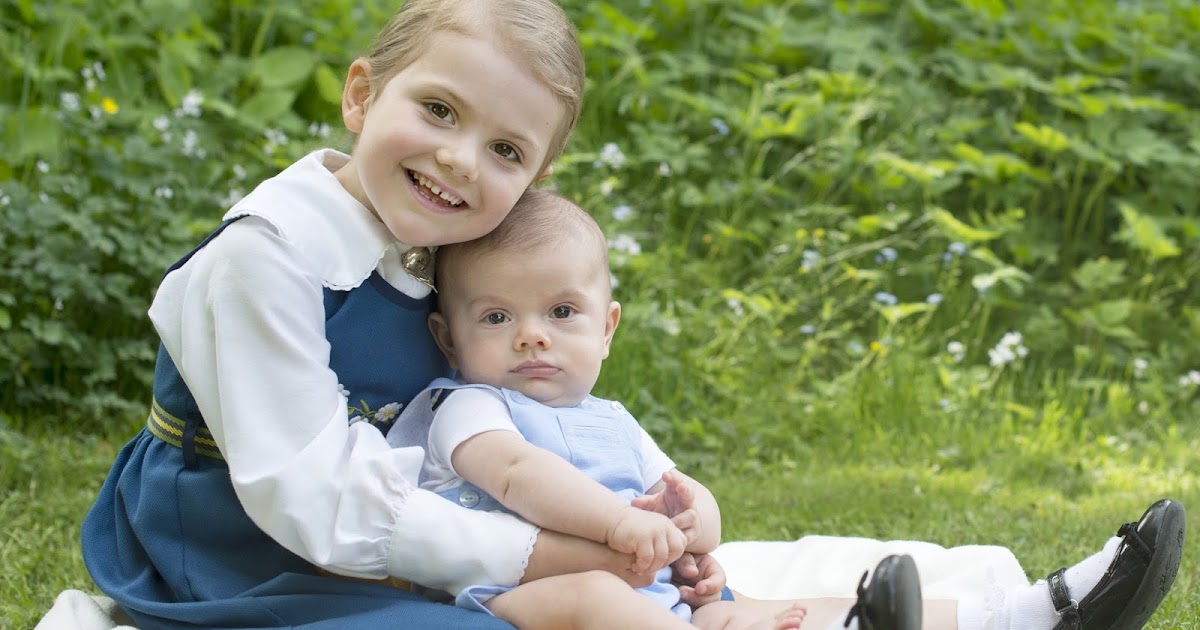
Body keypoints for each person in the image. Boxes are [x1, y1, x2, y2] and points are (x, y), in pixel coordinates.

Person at [386, 188, 1187, 630]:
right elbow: (517, 476)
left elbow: (688, 498)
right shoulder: (467, 406)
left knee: (768, 607)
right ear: (449, 337)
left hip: (657, 605)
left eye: (561, 312)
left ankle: (1032, 613)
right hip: (519, 605)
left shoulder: (615, 420)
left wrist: (690, 529)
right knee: (597, 602)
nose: (531, 336)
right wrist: (625, 526)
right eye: (497, 317)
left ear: (607, 327)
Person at [78, 1, 609, 628]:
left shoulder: (457, 259)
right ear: (361, 96)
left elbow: (506, 419)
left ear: (533, 182)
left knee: (620, 604)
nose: (462, 161)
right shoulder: (267, 256)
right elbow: (306, 490)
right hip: (229, 546)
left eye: (505, 150)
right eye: (439, 110)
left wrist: (613, 516)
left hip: (400, 546)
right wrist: (539, 554)